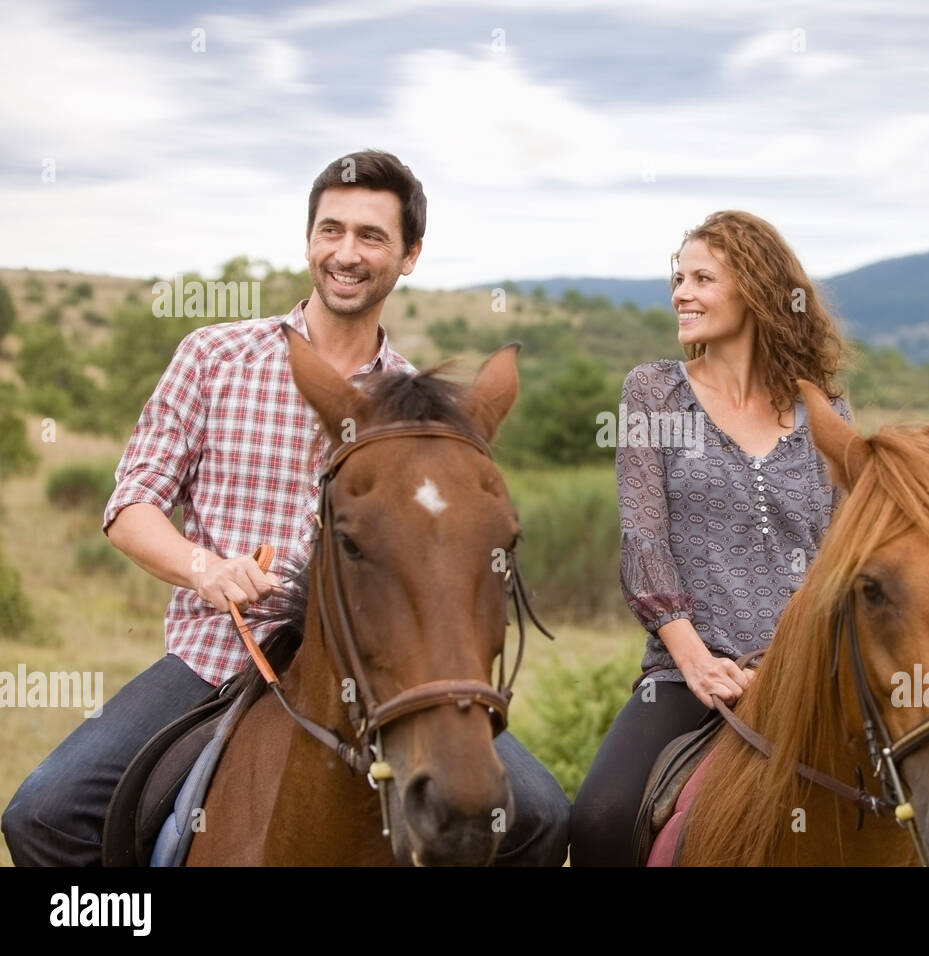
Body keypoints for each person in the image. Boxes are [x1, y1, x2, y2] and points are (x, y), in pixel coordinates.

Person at [2, 149, 569, 867]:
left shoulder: (414, 408)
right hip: (215, 658)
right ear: (309, 243)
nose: (346, 253)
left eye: (371, 236)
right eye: (330, 231)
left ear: (410, 256)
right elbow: (132, 504)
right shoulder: (214, 356)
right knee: (43, 815)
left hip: (379, 669)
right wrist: (202, 567)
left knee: (542, 817)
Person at [570, 210, 852, 866]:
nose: (681, 294)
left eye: (702, 278)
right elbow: (644, 541)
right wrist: (696, 660)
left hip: (808, 675)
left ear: (754, 290)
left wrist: (792, 663)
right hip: (685, 675)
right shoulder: (655, 394)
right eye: (678, 278)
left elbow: (840, 554)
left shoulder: (827, 413)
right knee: (599, 818)